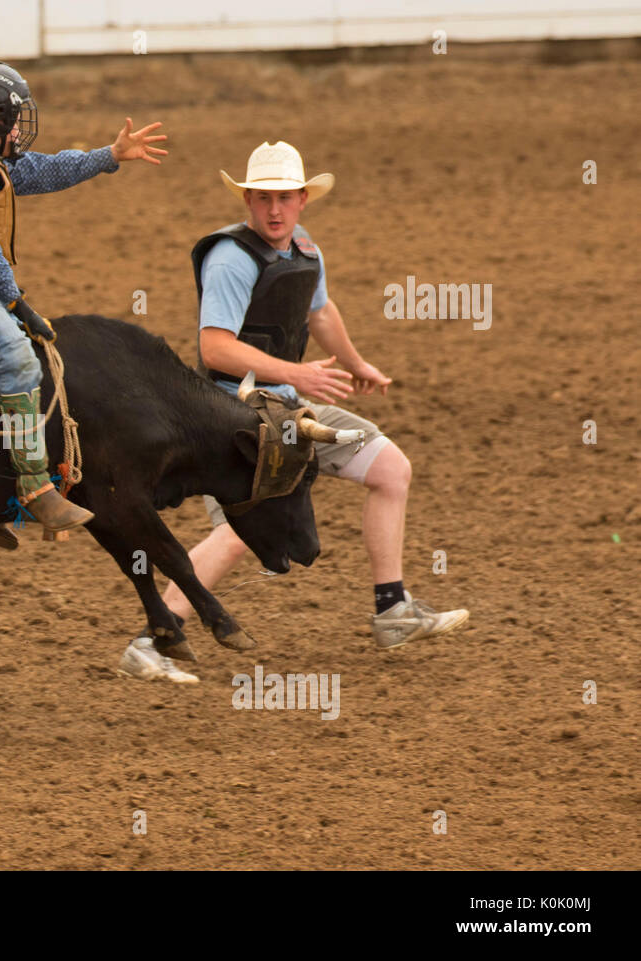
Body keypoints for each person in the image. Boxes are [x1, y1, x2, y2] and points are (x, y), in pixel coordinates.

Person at [121, 141, 468, 683]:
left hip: (285, 408)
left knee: (390, 469)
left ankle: (393, 610)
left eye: (284, 198)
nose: (274, 211)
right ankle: (152, 639)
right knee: (239, 533)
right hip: (231, 416)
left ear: (304, 199)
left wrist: (356, 365)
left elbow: (320, 310)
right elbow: (215, 349)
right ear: (248, 200)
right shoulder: (232, 259)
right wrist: (296, 374)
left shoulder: (305, 250)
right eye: (263, 199)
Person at [0, 59, 168, 548]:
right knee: (16, 355)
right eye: (13, 116)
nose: (19, 127)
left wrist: (108, 155)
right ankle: (34, 489)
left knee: (24, 367)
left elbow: (47, 169)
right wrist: (17, 302)